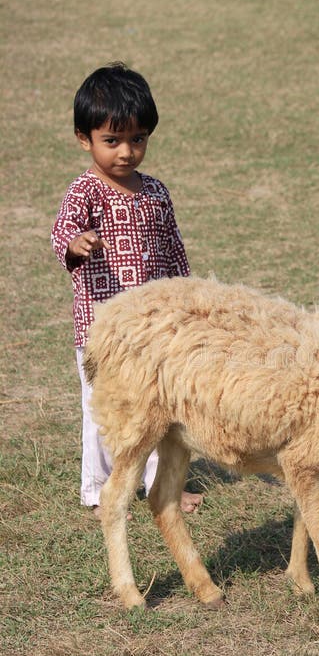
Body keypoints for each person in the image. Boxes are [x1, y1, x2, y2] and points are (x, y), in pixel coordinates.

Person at [51, 62, 201, 518]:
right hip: (101, 330)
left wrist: (190, 298)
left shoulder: (156, 193)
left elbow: (174, 251)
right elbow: (62, 232)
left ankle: (162, 485)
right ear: (85, 138)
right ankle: (99, 490)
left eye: (137, 139)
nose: (126, 152)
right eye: (112, 140)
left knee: (159, 408)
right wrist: (76, 244)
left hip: (154, 330)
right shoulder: (85, 192)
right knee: (103, 412)